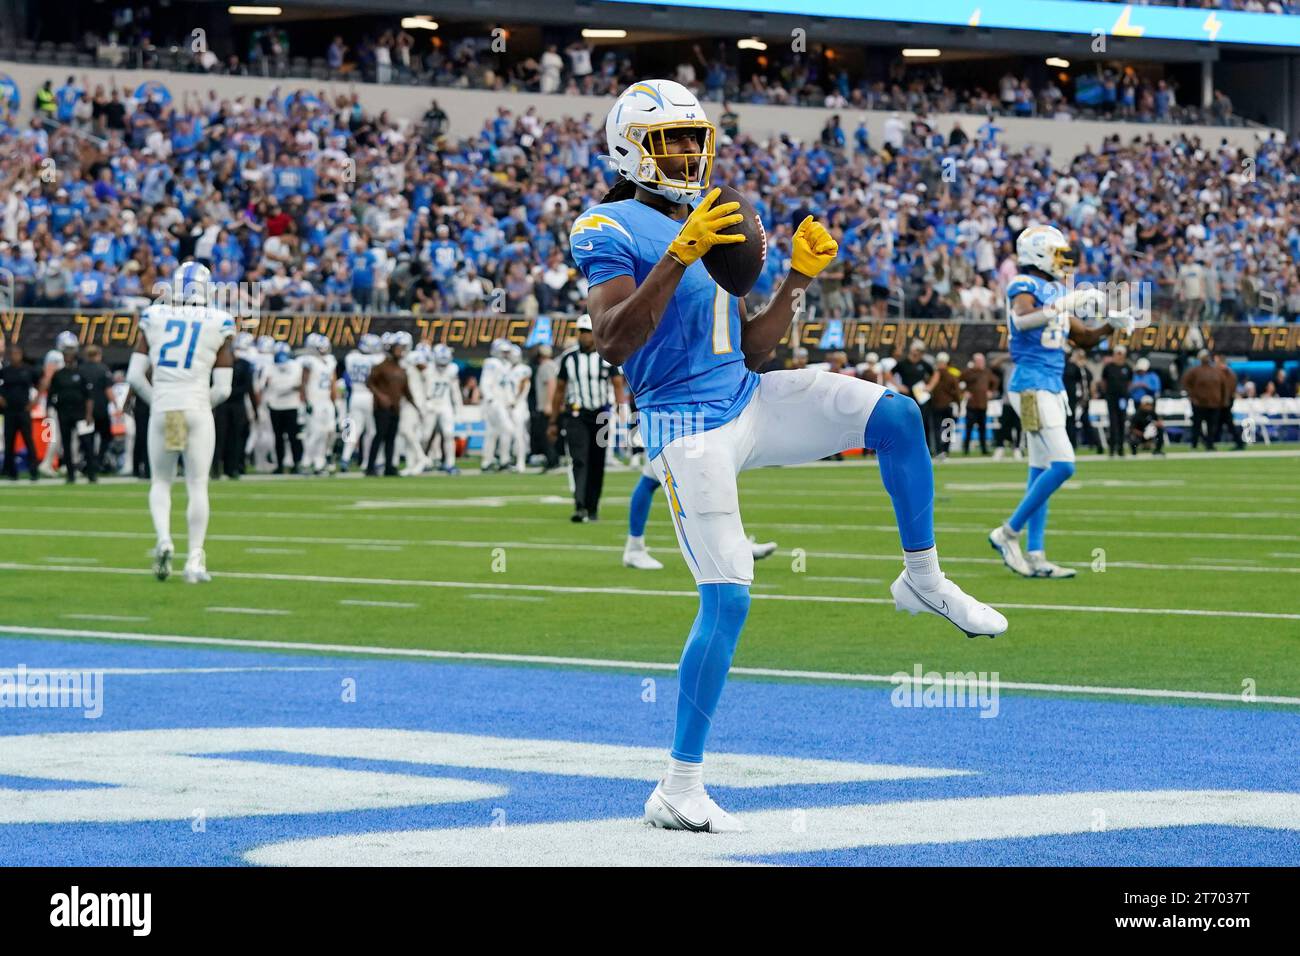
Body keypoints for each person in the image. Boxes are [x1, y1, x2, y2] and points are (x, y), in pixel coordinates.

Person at [572, 78, 1005, 833]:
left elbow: (754, 347)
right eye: (668, 142)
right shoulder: (604, 224)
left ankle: (924, 578)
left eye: (692, 141)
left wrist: (798, 281)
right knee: (730, 595)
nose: (685, 156)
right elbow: (613, 341)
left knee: (897, 416)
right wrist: (677, 256)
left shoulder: (708, 219)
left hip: (745, 397)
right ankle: (679, 786)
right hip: (683, 424)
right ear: (628, 147)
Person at [988, 225, 1134, 580]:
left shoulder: (1053, 289)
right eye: (1058, 255)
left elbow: (1083, 339)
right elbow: (1022, 321)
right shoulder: (1023, 285)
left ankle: (1036, 554)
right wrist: (1065, 304)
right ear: (1038, 253)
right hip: (1029, 384)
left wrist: (1111, 325)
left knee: (1040, 468)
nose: (1064, 263)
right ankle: (1007, 533)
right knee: (1064, 464)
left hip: (1050, 385)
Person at [126, 261, 235, 583]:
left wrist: (158, 400)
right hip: (198, 407)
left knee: (161, 481)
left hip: (165, 407)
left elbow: (134, 376)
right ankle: (195, 561)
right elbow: (224, 388)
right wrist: (200, 404)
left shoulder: (156, 316)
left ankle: (164, 539)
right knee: (197, 484)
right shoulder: (219, 321)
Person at [549, 315, 623, 522]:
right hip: (576, 414)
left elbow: (617, 385)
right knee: (579, 460)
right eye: (582, 332)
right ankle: (580, 505)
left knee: (597, 462)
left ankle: (593, 507)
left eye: (588, 333)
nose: (585, 337)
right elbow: (559, 391)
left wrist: (622, 411)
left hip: (601, 415)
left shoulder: (606, 356)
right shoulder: (568, 358)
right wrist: (553, 421)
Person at [366, 331, 420, 477]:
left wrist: (416, 406)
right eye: (398, 348)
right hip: (382, 407)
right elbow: (370, 383)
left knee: (391, 437)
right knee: (380, 436)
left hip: (396, 407)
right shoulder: (381, 366)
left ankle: (390, 466)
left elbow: (407, 391)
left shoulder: (402, 369)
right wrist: (380, 396)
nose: (401, 351)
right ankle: (370, 466)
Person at [47, 336, 89, 483]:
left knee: (85, 441)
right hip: (64, 413)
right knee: (66, 443)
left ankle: (90, 471)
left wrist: (88, 414)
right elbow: (52, 393)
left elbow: (88, 396)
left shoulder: (81, 373)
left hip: (80, 413)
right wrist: (50, 409)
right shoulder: (58, 375)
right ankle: (70, 473)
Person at [339, 333, 383, 471]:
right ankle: (367, 462)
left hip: (355, 396)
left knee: (352, 430)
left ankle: (345, 458)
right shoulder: (378, 359)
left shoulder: (351, 358)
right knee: (372, 431)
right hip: (370, 396)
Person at [0, 344, 41, 480]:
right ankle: (11, 472)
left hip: (23, 410)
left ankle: (34, 471)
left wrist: (35, 401)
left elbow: (40, 384)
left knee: (28, 440)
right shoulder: (5, 371)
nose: (14, 356)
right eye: (12, 354)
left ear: (22, 355)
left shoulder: (28, 370)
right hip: (9, 411)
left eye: (17, 353)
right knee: (9, 441)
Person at [299, 333, 338, 474]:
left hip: (326, 400)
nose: (324, 349)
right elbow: (303, 383)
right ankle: (306, 462)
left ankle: (320, 460)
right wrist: (305, 401)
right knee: (315, 433)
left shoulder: (330, 360)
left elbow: (333, 383)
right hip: (314, 400)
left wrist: (335, 401)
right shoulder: (309, 361)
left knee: (329, 431)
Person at [264, 341, 305, 473]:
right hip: (275, 406)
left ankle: (297, 463)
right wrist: (288, 388)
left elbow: (299, 385)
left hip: (291, 405)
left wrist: (282, 388)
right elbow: (266, 384)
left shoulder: (296, 365)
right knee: (278, 437)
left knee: (294, 437)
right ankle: (280, 464)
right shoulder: (269, 367)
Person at [79, 344, 113, 480]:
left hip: (84, 410)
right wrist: (117, 405)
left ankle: (89, 463)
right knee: (106, 436)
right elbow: (108, 390)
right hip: (101, 409)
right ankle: (98, 461)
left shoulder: (80, 370)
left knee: (88, 440)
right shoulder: (103, 369)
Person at [427, 344, 462, 474]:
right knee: (425, 436)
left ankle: (450, 463)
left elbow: (455, 391)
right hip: (430, 404)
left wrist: (458, 410)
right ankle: (425, 461)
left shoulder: (452, 369)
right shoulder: (427, 368)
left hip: (445, 404)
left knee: (448, 434)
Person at [1063, 348, 1101, 453]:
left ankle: (1095, 444)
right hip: (1073, 399)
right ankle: (1094, 444)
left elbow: (1086, 385)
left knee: (1076, 422)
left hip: (1080, 400)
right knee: (1075, 422)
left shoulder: (1082, 370)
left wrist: (1086, 398)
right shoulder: (1071, 367)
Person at [1181, 350, 1220, 451]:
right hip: (1199, 403)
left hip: (1213, 403)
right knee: (1197, 425)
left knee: (1211, 426)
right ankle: (1194, 444)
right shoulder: (1195, 371)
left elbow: (1220, 386)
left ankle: (1210, 444)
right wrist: (1193, 396)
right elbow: (1186, 383)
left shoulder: (1215, 371)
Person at [959, 352, 993, 455]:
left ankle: (984, 449)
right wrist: (963, 392)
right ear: (974, 362)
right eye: (979, 361)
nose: (981, 363)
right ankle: (966, 449)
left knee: (982, 428)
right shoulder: (968, 372)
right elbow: (957, 382)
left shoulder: (986, 372)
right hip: (972, 405)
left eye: (982, 361)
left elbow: (995, 381)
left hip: (983, 405)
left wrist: (991, 391)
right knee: (968, 428)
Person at [1100, 346, 1132, 457]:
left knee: (1122, 422)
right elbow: (1103, 381)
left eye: (1120, 354)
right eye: (1117, 353)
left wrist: (1125, 393)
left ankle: (1121, 448)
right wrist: (1107, 393)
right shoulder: (1108, 367)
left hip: (1123, 398)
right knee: (1113, 423)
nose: (1118, 356)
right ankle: (1112, 448)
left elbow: (1129, 382)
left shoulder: (1127, 367)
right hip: (1112, 397)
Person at [1214, 352, 1245, 451]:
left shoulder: (1224, 373)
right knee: (1220, 423)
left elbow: (1226, 388)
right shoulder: (1230, 373)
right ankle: (1210, 442)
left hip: (1223, 401)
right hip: (1226, 401)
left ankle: (1239, 442)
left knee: (1225, 423)